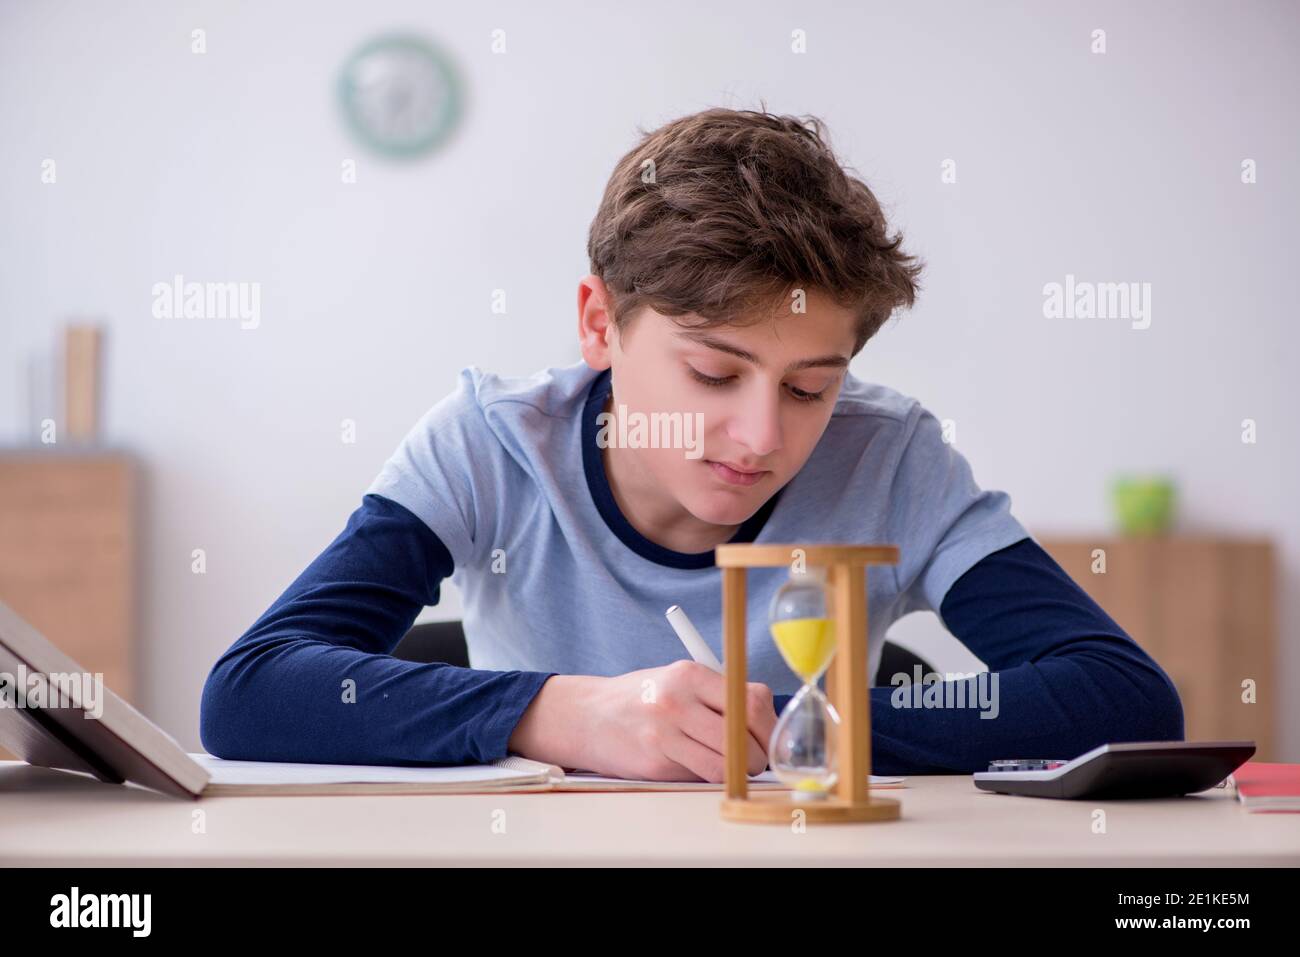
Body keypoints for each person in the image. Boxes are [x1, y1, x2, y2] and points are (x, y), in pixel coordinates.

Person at [200, 108, 1183, 779]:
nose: (760, 437)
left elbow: (1124, 698)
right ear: (600, 325)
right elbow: (250, 691)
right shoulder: (491, 445)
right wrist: (566, 715)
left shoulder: (889, 457)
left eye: (810, 387)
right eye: (713, 373)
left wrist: (794, 733)